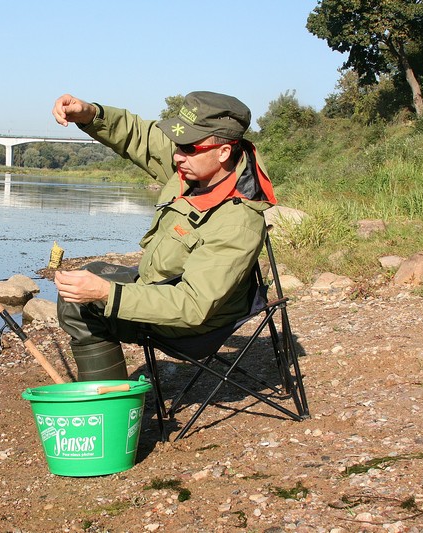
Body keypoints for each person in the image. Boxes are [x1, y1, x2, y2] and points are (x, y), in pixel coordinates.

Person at [51, 91, 277, 381]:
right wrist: (90, 113)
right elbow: (139, 137)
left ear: (223, 152)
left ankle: (107, 410)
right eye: (178, 145)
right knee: (91, 272)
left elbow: (193, 306)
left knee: (77, 305)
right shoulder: (197, 167)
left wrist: (107, 293)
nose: (177, 155)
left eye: (188, 148)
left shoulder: (237, 224)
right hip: (164, 286)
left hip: (194, 327)